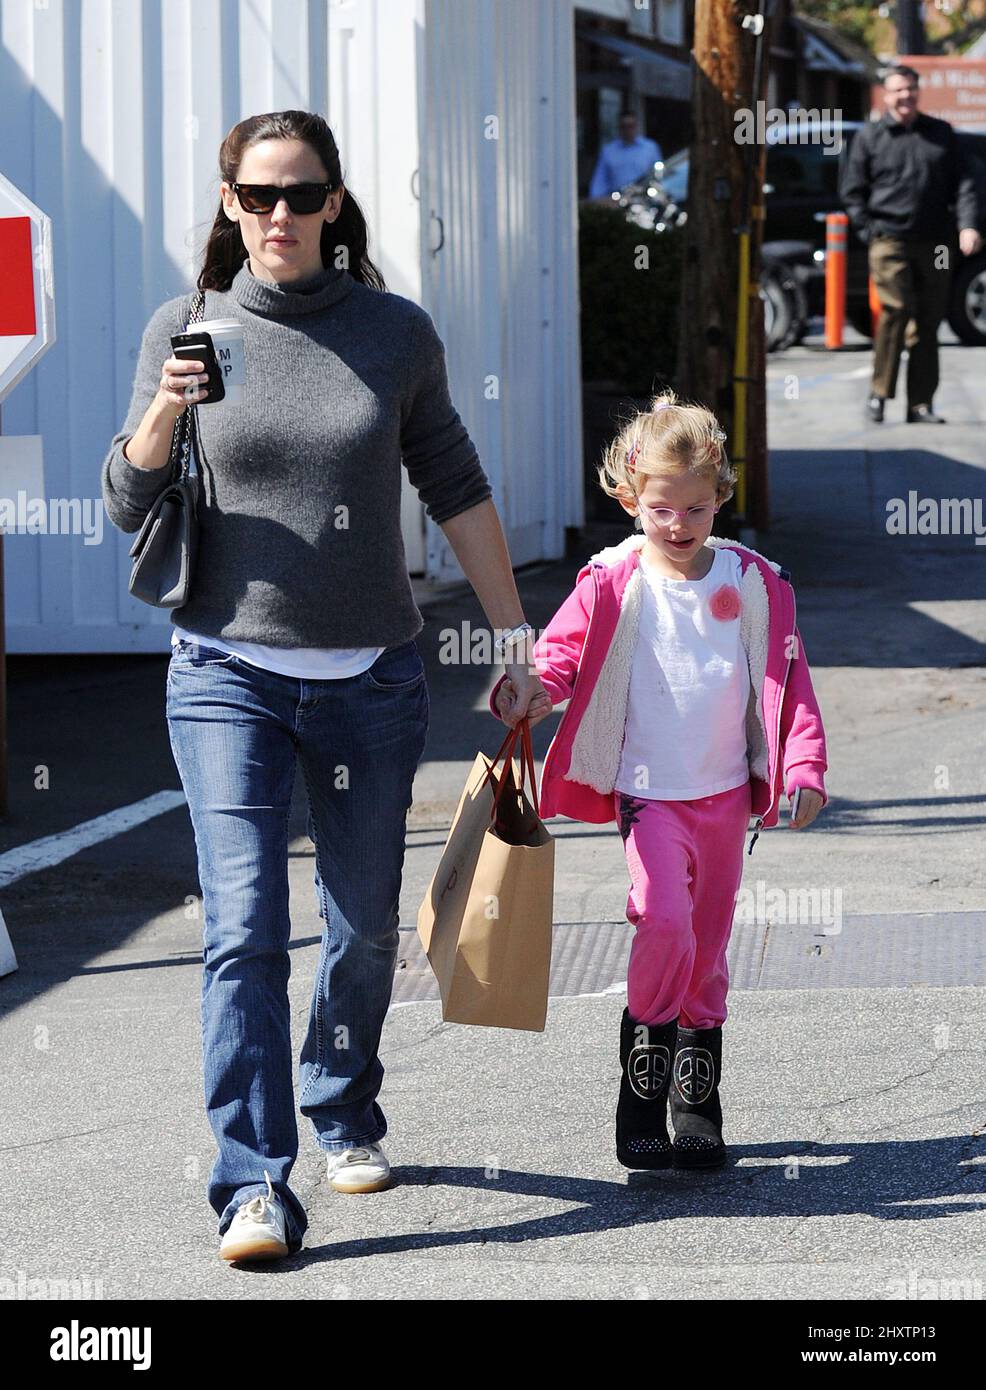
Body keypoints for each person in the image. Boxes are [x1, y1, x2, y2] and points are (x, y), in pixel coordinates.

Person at [100, 109, 550, 1262]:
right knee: (243, 928)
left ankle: (342, 1102)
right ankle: (253, 1182)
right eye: (257, 197)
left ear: (335, 205)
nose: (280, 217)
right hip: (223, 673)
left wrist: (513, 640)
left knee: (358, 928)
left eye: (302, 196)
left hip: (369, 679)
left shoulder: (392, 333)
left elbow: (453, 479)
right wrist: (167, 405)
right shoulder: (185, 326)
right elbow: (123, 500)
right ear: (228, 205)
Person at [491, 392, 827, 1171]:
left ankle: (696, 1090)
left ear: (721, 500)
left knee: (707, 944)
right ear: (629, 498)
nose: (678, 526)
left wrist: (803, 767)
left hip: (722, 798)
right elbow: (563, 655)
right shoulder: (614, 581)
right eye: (661, 510)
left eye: (697, 511)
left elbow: (789, 682)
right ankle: (642, 1083)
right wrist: (533, 688)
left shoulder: (754, 584)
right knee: (664, 923)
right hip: (648, 795)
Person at [840, 64, 982, 424]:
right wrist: (868, 229)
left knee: (930, 319)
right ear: (886, 95)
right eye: (898, 90)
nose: (905, 96)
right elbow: (852, 192)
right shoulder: (870, 137)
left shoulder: (941, 134)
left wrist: (967, 227)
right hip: (890, 241)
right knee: (897, 309)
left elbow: (965, 185)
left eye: (911, 89)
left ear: (918, 92)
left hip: (936, 245)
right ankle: (879, 393)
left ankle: (920, 404)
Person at [589, 110, 662, 201]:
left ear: (636, 127)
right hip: (617, 201)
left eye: (630, 126)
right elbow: (600, 180)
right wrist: (596, 200)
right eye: (624, 127)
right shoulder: (608, 151)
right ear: (619, 128)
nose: (627, 130)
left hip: (644, 201)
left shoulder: (650, 148)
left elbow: (659, 176)